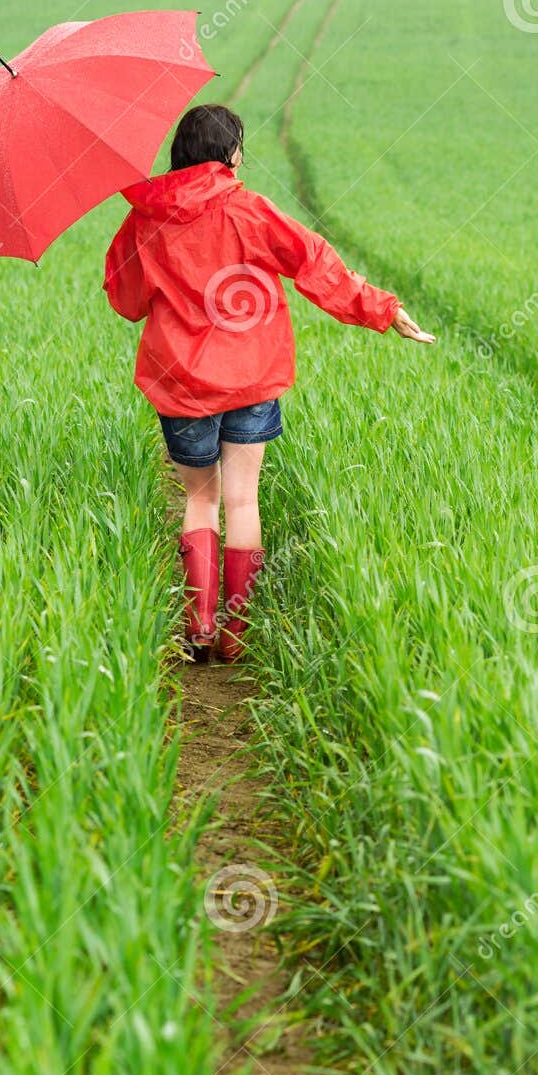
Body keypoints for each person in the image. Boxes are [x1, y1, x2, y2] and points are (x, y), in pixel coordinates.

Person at [104, 104, 434, 662]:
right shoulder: (250, 210)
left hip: (181, 381)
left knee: (199, 498)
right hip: (252, 379)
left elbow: (127, 301)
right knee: (242, 498)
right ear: (231, 155)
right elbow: (316, 264)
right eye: (240, 148)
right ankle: (237, 634)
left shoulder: (146, 218)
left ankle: (200, 625)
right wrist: (382, 310)